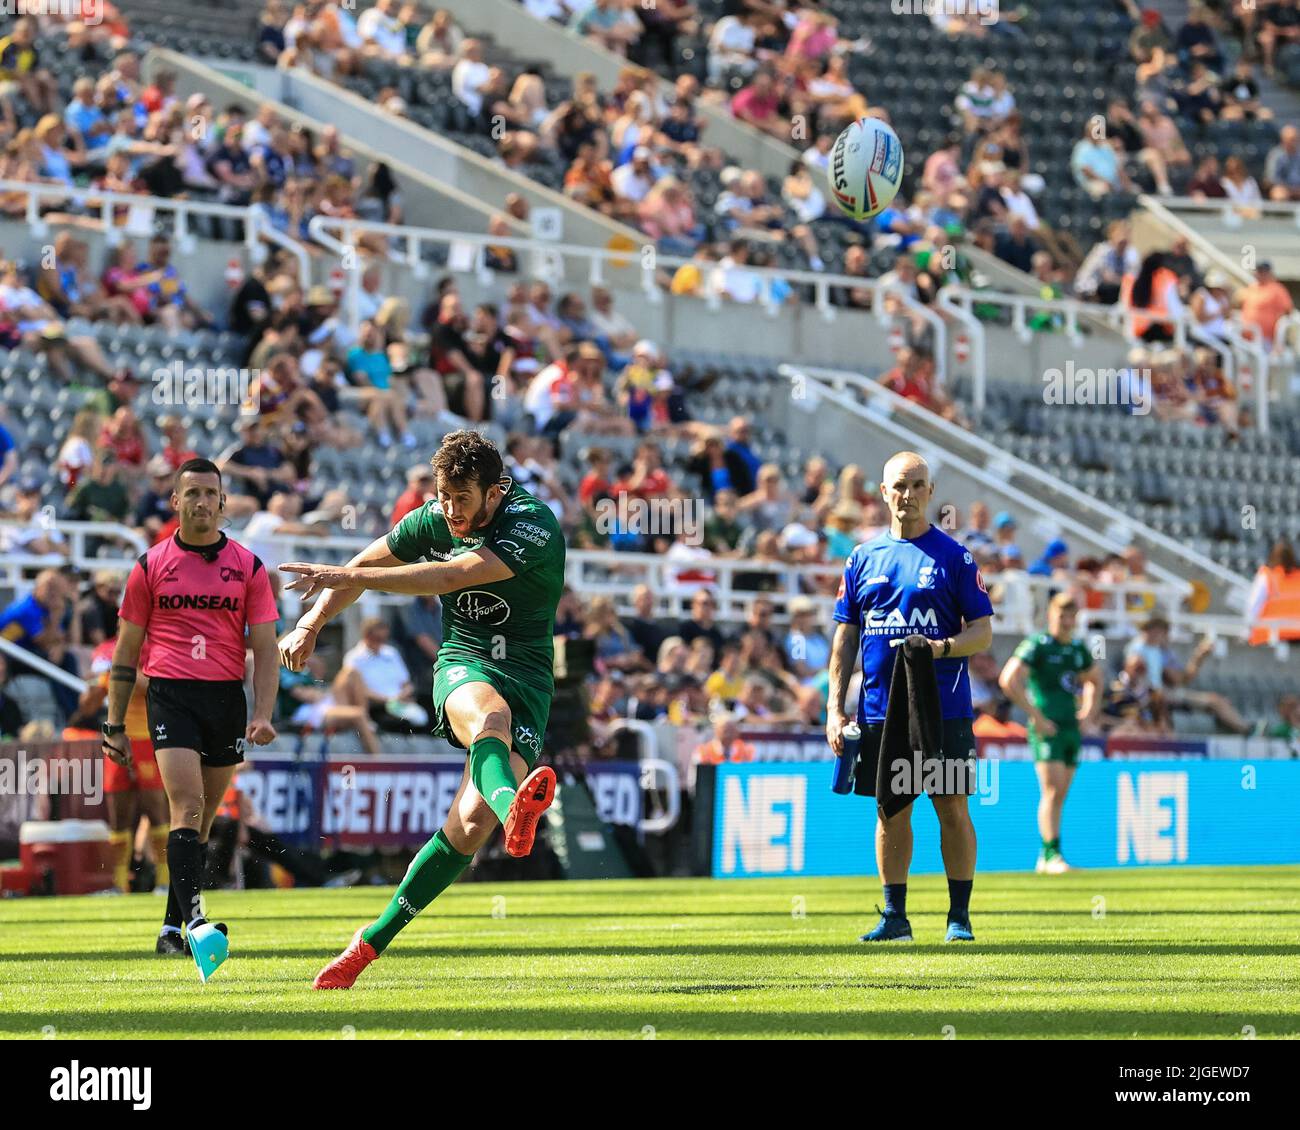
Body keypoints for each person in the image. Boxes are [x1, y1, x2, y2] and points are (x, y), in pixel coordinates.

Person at [277, 431, 565, 990]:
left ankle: (367, 945)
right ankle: (516, 810)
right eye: (443, 496)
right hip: (466, 659)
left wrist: (352, 577)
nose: (451, 510)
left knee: (467, 827)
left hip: (528, 672)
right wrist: (311, 623)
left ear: (495, 491)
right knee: (490, 722)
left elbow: (452, 575)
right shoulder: (435, 517)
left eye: (463, 498)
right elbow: (362, 562)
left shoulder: (533, 524)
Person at [104, 459, 280, 973]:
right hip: (172, 696)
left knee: (198, 824)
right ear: (176, 502)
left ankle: (169, 929)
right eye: (192, 493)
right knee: (186, 808)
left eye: (211, 493)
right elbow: (125, 651)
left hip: (226, 699)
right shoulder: (149, 566)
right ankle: (199, 925)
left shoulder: (247, 567)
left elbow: (266, 649)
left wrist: (264, 713)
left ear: (223, 502)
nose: (202, 502)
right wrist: (114, 723)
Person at [826, 451, 994, 944]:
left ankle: (958, 916)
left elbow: (982, 632)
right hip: (880, 710)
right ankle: (895, 916)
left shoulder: (955, 557)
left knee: (951, 806)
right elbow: (845, 637)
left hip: (942, 710)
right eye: (899, 485)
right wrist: (835, 709)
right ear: (883, 493)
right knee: (890, 811)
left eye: (918, 485)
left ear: (930, 493)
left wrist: (941, 647)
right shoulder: (861, 558)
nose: (909, 494)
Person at [997, 594, 1102, 875]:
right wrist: (1036, 716)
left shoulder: (1078, 649)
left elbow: (1095, 680)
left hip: (1070, 727)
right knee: (1052, 791)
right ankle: (1050, 854)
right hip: (1047, 727)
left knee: (1061, 794)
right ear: (1051, 616)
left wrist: (1088, 713)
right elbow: (1008, 679)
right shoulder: (1038, 645)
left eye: (1071, 616)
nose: (1066, 622)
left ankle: (1049, 855)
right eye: (1061, 616)